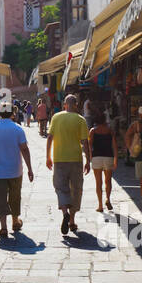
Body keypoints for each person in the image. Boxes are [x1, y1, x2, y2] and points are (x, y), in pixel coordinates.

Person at [0, 100, 33, 241]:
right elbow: (24, 149)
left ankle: (3, 227)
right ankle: (15, 221)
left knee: (0, 197)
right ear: (13, 113)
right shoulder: (17, 129)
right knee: (15, 195)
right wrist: (30, 168)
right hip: (15, 169)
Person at [46, 94, 91, 235]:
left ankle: (65, 212)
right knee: (76, 189)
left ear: (64, 104)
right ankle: (71, 220)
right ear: (76, 105)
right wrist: (88, 160)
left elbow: (50, 137)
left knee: (60, 187)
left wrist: (48, 156)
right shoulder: (80, 120)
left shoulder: (56, 117)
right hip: (76, 159)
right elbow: (85, 142)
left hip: (59, 158)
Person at [89, 110, 119, 212]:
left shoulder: (92, 131)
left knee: (98, 182)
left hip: (97, 158)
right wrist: (116, 159)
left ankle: (100, 205)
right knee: (108, 181)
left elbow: (90, 146)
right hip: (108, 157)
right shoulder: (110, 130)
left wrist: (90, 158)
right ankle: (108, 199)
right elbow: (114, 145)